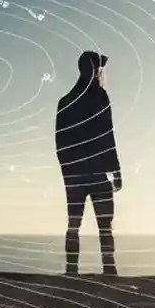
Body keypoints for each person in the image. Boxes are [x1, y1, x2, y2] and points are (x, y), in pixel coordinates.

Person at [55, 50, 122, 275]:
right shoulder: (100, 98)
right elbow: (107, 137)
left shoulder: (65, 102)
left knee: (74, 224)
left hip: (75, 175)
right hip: (97, 172)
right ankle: (109, 270)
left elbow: (60, 145)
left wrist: (68, 175)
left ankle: (71, 270)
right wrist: (116, 171)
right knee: (105, 226)